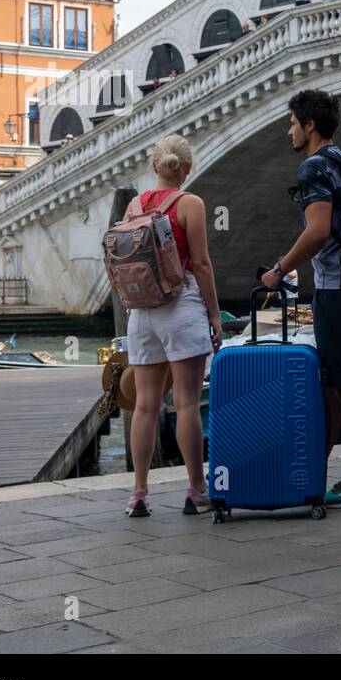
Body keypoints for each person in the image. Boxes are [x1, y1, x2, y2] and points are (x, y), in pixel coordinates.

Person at [261, 90, 341, 509]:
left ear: (310, 125)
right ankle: (317, 467)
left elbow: (317, 230)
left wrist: (279, 271)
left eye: (293, 122)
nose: (289, 130)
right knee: (337, 381)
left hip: (337, 290)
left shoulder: (314, 167)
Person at [122, 136, 222, 517]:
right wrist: (214, 314)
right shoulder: (190, 203)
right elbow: (201, 264)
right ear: (188, 168)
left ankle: (140, 492)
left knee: (145, 406)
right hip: (180, 307)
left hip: (141, 311)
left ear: (154, 168)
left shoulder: (133, 206)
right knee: (186, 404)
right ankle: (196, 489)